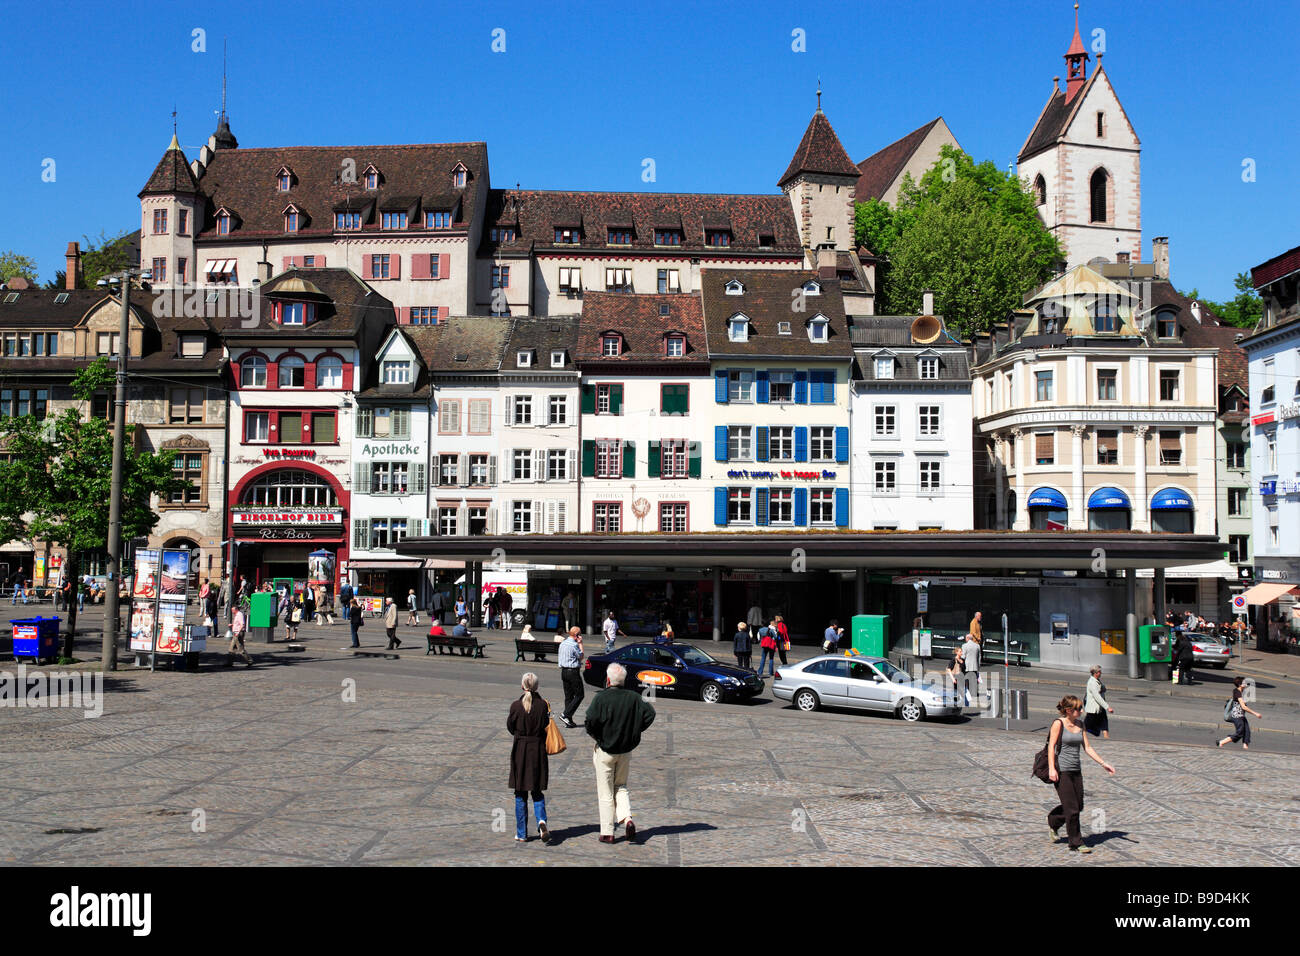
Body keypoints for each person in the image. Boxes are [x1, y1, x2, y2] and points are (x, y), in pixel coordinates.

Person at [585, 662, 656, 844]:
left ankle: (607, 832)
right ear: (624, 680)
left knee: (606, 792)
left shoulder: (601, 698)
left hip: (606, 750)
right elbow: (650, 714)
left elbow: (590, 720)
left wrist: (598, 736)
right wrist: (635, 730)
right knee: (621, 786)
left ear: (608, 680)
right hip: (625, 750)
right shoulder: (633, 697)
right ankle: (627, 819)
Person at [1047, 695, 1115, 853]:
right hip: (1062, 770)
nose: (1082, 711)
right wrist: (1052, 768)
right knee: (1072, 809)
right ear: (1069, 710)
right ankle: (1076, 842)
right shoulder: (1058, 724)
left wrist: (1103, 763)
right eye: (1078, 708)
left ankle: (1053, 821)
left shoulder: (1080, 724)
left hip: (1076, 770)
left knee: (1078, 805)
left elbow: (1088, 747)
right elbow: (1051, 747)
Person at [507, 672, 551, 843]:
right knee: (537, 790)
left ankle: (521, 833)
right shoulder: (543, 705)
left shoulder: (516, 706)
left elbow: (510, 727)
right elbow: (546, 725)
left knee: (520, 792)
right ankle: (541, 820)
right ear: (537, 687)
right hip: (538, 749)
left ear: (522, 686)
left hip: (520, 750)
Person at [1218, 676, 1262, 750]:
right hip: (1237, 716)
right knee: (1239, 733)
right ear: (1239, 684)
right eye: (1244, 682)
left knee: (1247, 731)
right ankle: (1221, 742)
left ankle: (1245, 747)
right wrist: (1255, 713)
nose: (1246, 683)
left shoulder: (1240, 691)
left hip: (1241, 715)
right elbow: (1243, 706)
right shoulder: (1237, 692)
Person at [558, 626, 585, 728]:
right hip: (573, 672)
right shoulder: (574, 645)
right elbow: (581, 656)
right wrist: (580, 643)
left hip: (564, 671)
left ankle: (568, 720)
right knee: (579, 695)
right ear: (576, 635)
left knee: (568, 696)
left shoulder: (563, 643)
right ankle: (566, 714)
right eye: (580, 634)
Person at [1084, 666, 1114, 738]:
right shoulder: (1092, 682)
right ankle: (1080, 735)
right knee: (1087, 725)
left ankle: (1106, 737)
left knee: (1104, 722)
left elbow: (1103, 689)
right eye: (1099, 672)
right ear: (1095, 673)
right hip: (1093, 708)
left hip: (1099, 707)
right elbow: (1097, 697)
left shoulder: (1097, 680)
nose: (1101, 673)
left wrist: (1102, 689)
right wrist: (1107, 707)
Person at [227, 603, 253, 668]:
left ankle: (250, 661)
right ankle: (229, 662)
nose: (232, 612)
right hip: (235, 633)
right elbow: (237, 624)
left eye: (233, 611)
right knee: (231, 649)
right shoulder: (237, 615)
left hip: (238, 633)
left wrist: (238, 632)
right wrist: (232, 625)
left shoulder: (239, 615)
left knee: (240, 649)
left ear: (236, 609)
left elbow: (242, 624)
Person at [961, 631, 982, 706]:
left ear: (967, 638)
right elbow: (979, 657)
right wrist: (978, 666)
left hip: (967, 667)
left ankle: (967, 697)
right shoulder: (977, 646)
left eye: (965, 638)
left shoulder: (964, 646)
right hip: (975, 666)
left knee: (966, 682)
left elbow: (963, 656)